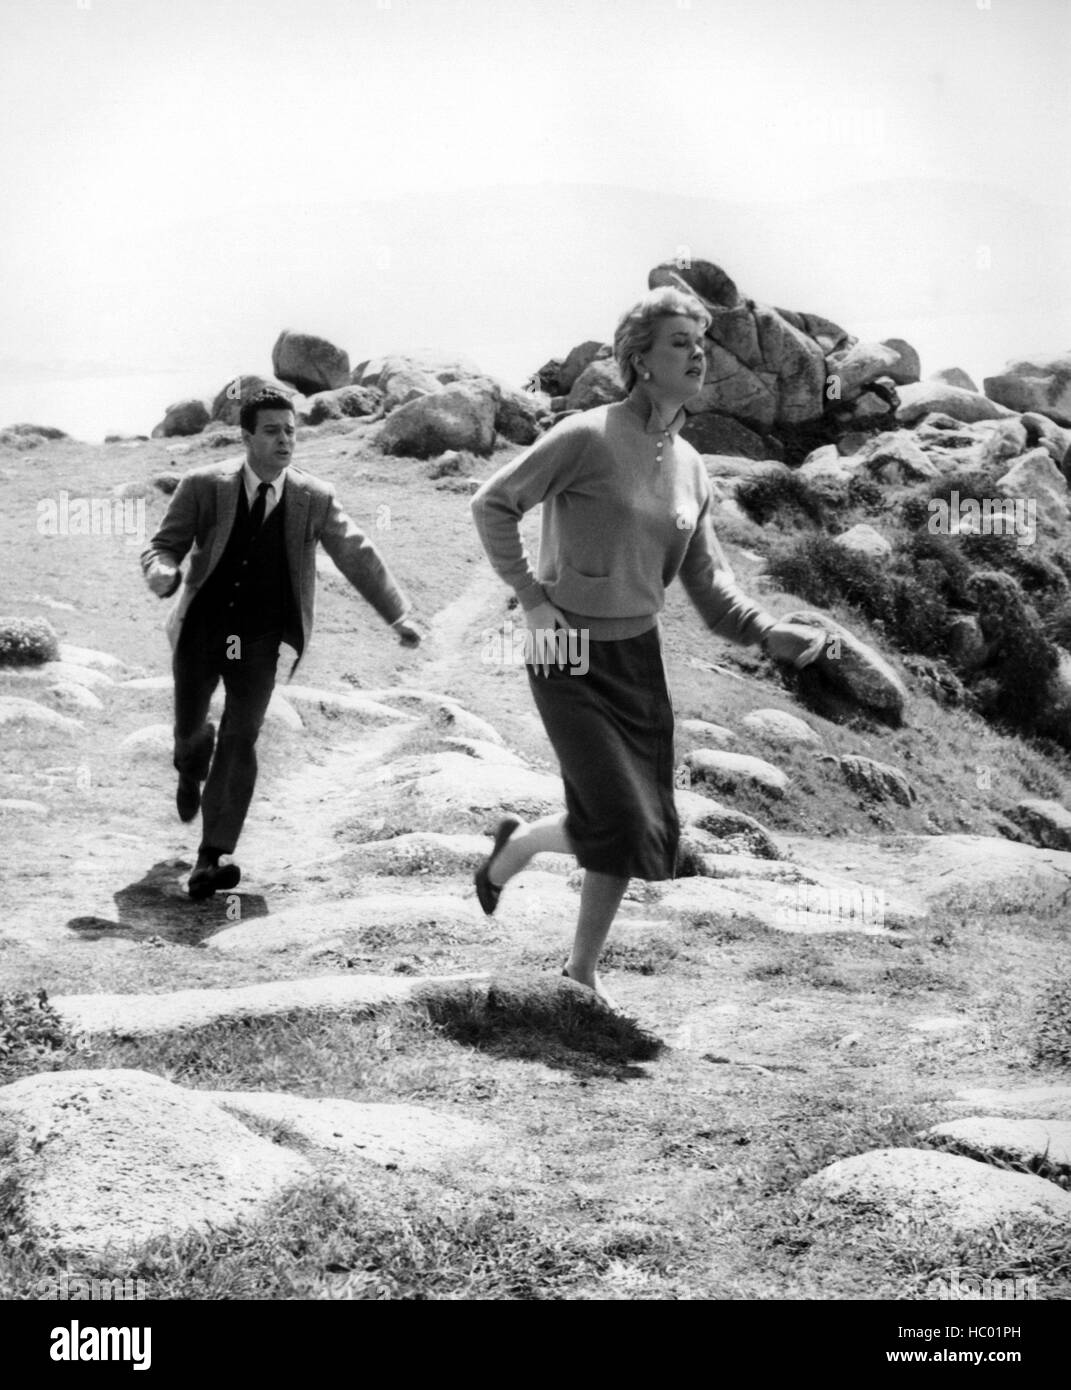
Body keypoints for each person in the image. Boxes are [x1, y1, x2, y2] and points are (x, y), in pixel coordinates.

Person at [470, 287, 825, 1007]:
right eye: (677, 342)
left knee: (632, 824)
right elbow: (492, 504)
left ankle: (575, 964)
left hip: (637, 658)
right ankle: (526, 857)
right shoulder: (586, 436)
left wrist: (767, 633)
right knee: (622, 818)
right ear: (638, 359)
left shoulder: (692, 464)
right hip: (564, 652)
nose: (696, 353)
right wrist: (534, 603)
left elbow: (708, 582)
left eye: (699, 342)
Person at [141, 387, 422, 899]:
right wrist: (162, 571)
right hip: (203, 631)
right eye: (271, 430)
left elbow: (356, 552)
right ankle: (188, 762)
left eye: (290, 430)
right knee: (189, 731)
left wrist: (397, 613)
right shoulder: (205, 484)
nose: (284, 440)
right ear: (247, 436)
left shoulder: (314, 497)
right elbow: (164, 546)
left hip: (260, 640)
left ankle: (212, 856)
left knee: (241, 736)